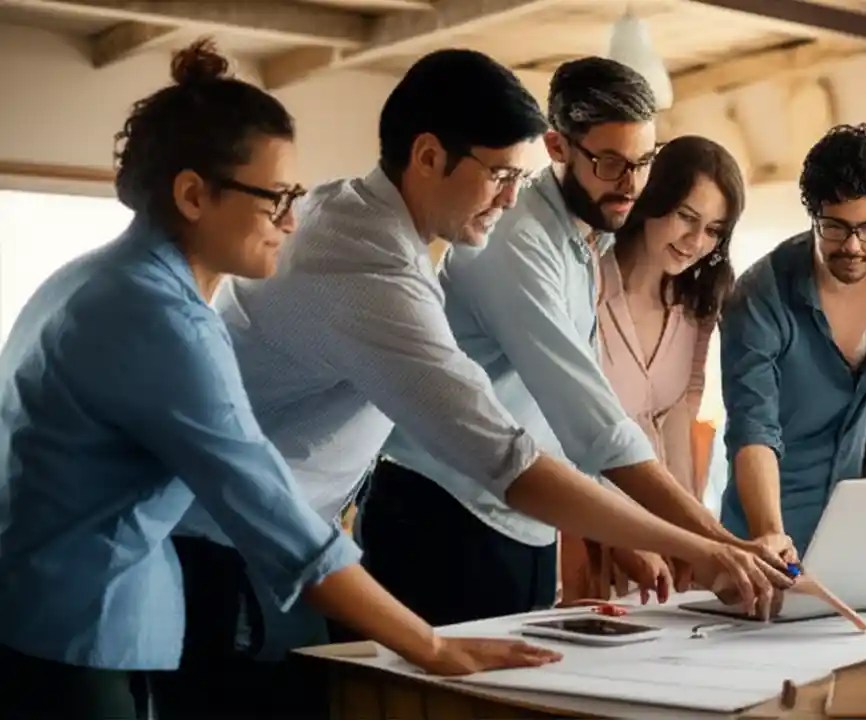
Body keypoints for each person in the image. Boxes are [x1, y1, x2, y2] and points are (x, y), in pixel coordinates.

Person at [156, 48, 787, 719]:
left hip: (287, 548)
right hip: (229, 556)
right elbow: (507, 454)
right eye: (500, 176)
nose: (514, 197)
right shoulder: (368, 267)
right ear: (428, 156)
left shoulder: (372, 225)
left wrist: (659, 536)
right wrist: (699, 547)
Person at [0, 40, 559, 720]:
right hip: (83, 629)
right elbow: (274, 515)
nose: (292, 221)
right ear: (192, 194)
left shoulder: (90, 279)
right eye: (274, 198)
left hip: (44, 608)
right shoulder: (163, 320)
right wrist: (434, 650)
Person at [371, 57, 785, 625]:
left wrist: (625, 534)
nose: (630, 185)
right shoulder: (515, 240)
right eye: (610, 163)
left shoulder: (585, 239)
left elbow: (573, 429)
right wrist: (715, 544)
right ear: (558, 147)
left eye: (642, 164)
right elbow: (593, 423)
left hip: (524, 517)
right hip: (444, 513)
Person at [719, 124, 866, 561]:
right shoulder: (760, 295)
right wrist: (770, 537)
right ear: (812, 214)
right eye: (835, 227)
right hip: (765, 531)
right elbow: (753, 427)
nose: (853, 246)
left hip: (852, 528)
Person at [561, 135, 744, 602]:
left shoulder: (697, 308)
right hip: (579, 524)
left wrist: (691, 537)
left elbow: (679, 423)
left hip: (663, 539)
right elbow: (564, 428)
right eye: (686, 217)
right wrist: (626, 535)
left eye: (714, 229)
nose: (695, 242)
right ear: (651, 200)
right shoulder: (584, 283)